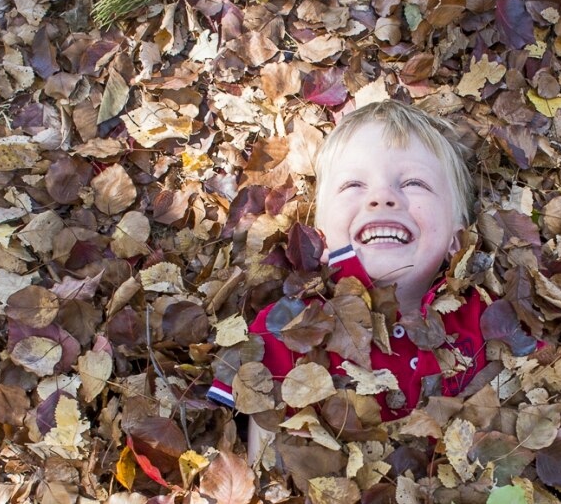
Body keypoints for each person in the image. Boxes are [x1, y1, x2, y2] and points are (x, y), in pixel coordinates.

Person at [206, 100, 539, 460]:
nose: (382, 198)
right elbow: (270, 474)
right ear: (319, 239)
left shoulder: (487, 321)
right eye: (353, 185)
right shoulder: (287, 327)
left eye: (414, 183)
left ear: (457, 239)